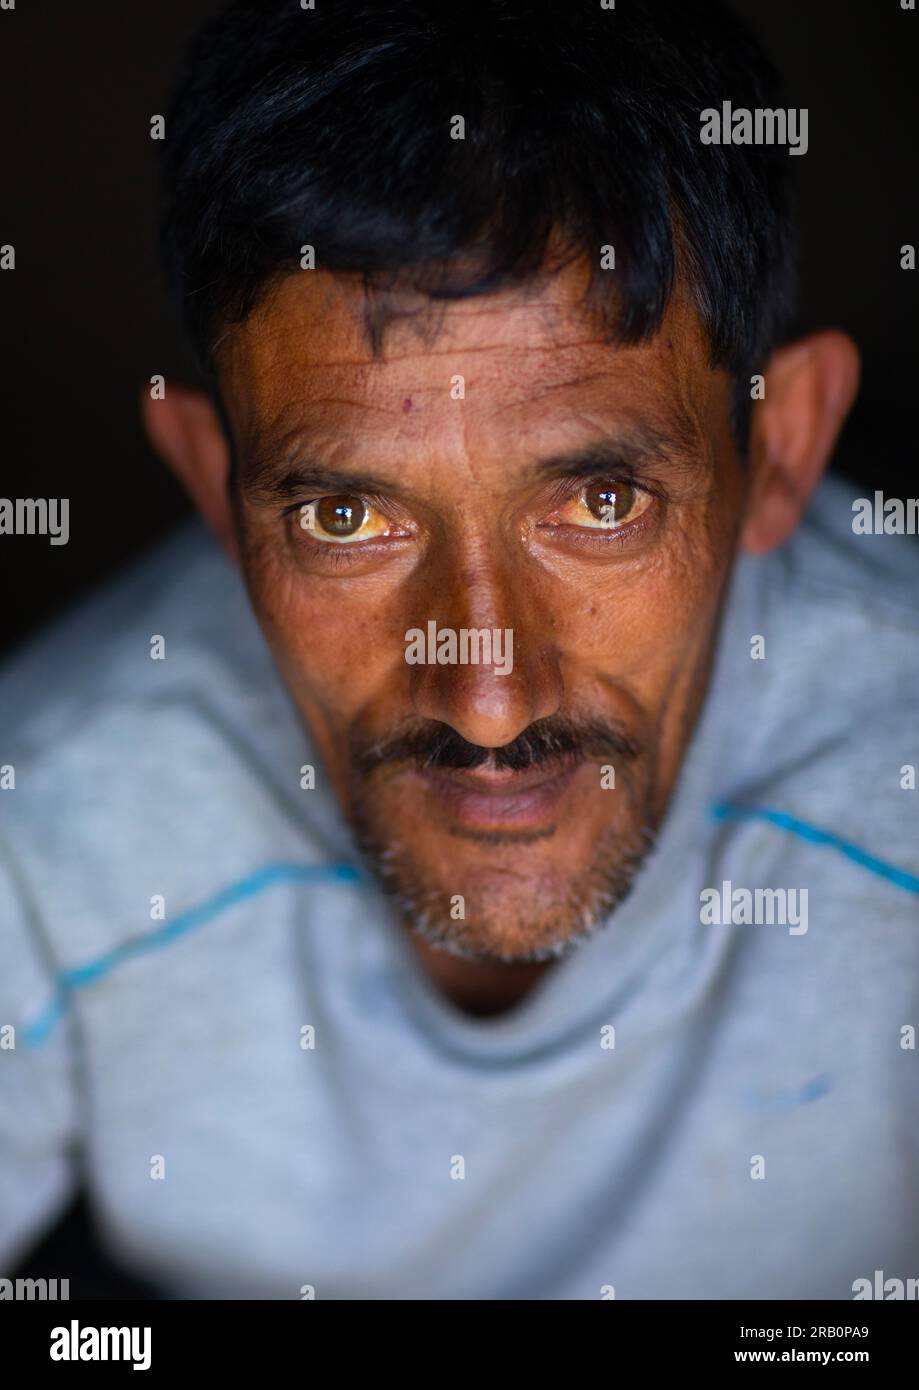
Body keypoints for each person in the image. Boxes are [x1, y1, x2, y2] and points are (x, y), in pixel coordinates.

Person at [1, 0, 916, 1300]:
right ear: (214, 489)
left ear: (780, 447)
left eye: (602, 503)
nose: (487, 698)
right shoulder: (52, 832)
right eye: (347, 515)